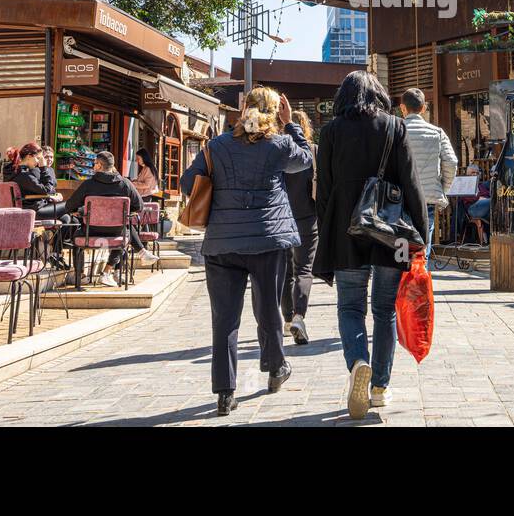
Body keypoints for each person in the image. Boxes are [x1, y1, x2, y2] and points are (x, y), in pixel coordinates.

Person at [180, 87, 311, 417]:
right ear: (273, 112)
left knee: (224, 319)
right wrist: (291, 122)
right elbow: (306, 160)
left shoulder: (217, 145)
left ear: (244, 110)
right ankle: (276, 367)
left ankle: (225, 392)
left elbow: (187, 183)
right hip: (267, 240)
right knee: (268, 308)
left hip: (222, 243)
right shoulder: (279, 144)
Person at [313, 70, 426, 420]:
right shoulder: (394, 126)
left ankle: (357, 361)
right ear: (379, 95)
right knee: (384, 310)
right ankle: (379, 387)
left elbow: (326, 191)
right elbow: (411, 184)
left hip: (347, 230)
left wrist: (326, 231)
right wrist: (421, 234)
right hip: (391, 232)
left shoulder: (330, 132)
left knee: (349, 308)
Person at [63, 151, 157, 287]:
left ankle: (80, 275)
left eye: (94, 163)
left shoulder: (88, 184)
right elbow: (139, 206)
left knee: (76, 234)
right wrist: (120, 214)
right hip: (116, 232)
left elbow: (69, 206)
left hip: (91, 232)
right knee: (126, 230)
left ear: (100, 166)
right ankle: (108, 271)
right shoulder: (125, 184)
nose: (93, 166)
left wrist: (78, 211)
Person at [399, 88, 457, 269]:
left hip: (399, 200)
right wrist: (442, 189)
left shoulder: (395, 130)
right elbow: (451, 162)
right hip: (426, 200)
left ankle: (399, 291)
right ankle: (418, 290)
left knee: (400, 250)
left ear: (402, 108)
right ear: (424, 108)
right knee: (421, 251)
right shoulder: (437, 132)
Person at [281, 110, 318, 344]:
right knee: (304, 269)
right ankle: (298, 315)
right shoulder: (313, 152)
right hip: (307, 216)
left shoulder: (278, 151)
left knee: (286, 272)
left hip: (282, 217)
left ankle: (287, 319)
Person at [6, 142, 70, 269]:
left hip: (30, 209)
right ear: (29, 156)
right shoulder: (25, 175)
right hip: (33, 211)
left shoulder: (15, 172)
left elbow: (44, 191)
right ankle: (54, 253)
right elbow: (48, 190)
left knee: (67, 218)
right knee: (71, 206)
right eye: (37, 158)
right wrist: (44, 168)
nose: (38, 162)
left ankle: (55, 254)